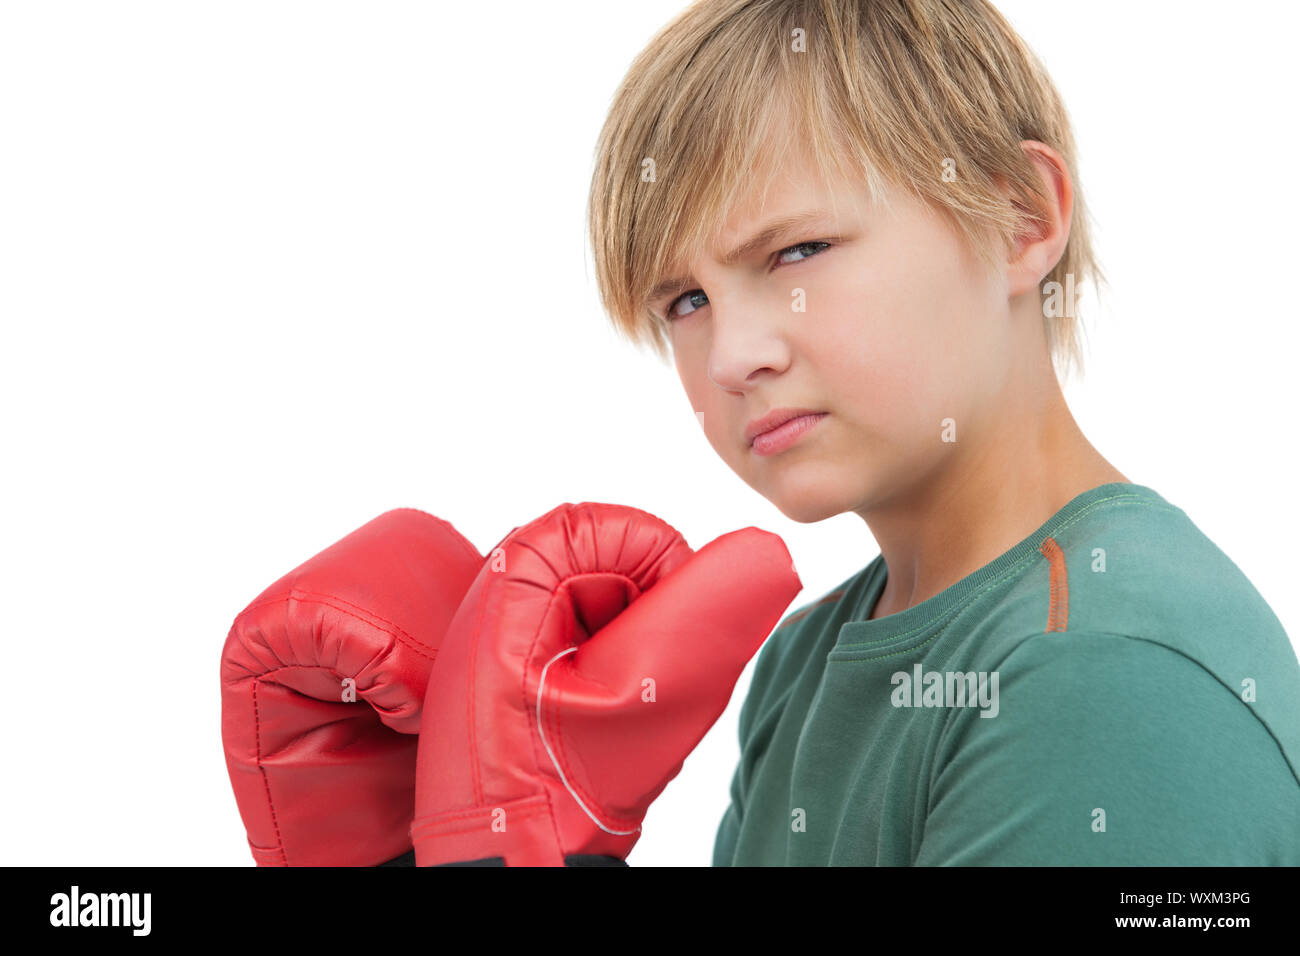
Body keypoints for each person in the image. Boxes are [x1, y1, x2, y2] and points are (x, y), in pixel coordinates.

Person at [584, 0, 1300, 864]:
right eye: (686, 303)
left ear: (1021, 218)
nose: (733, 356)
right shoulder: (802, 663)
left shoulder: (1095, 671)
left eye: (798, 252)